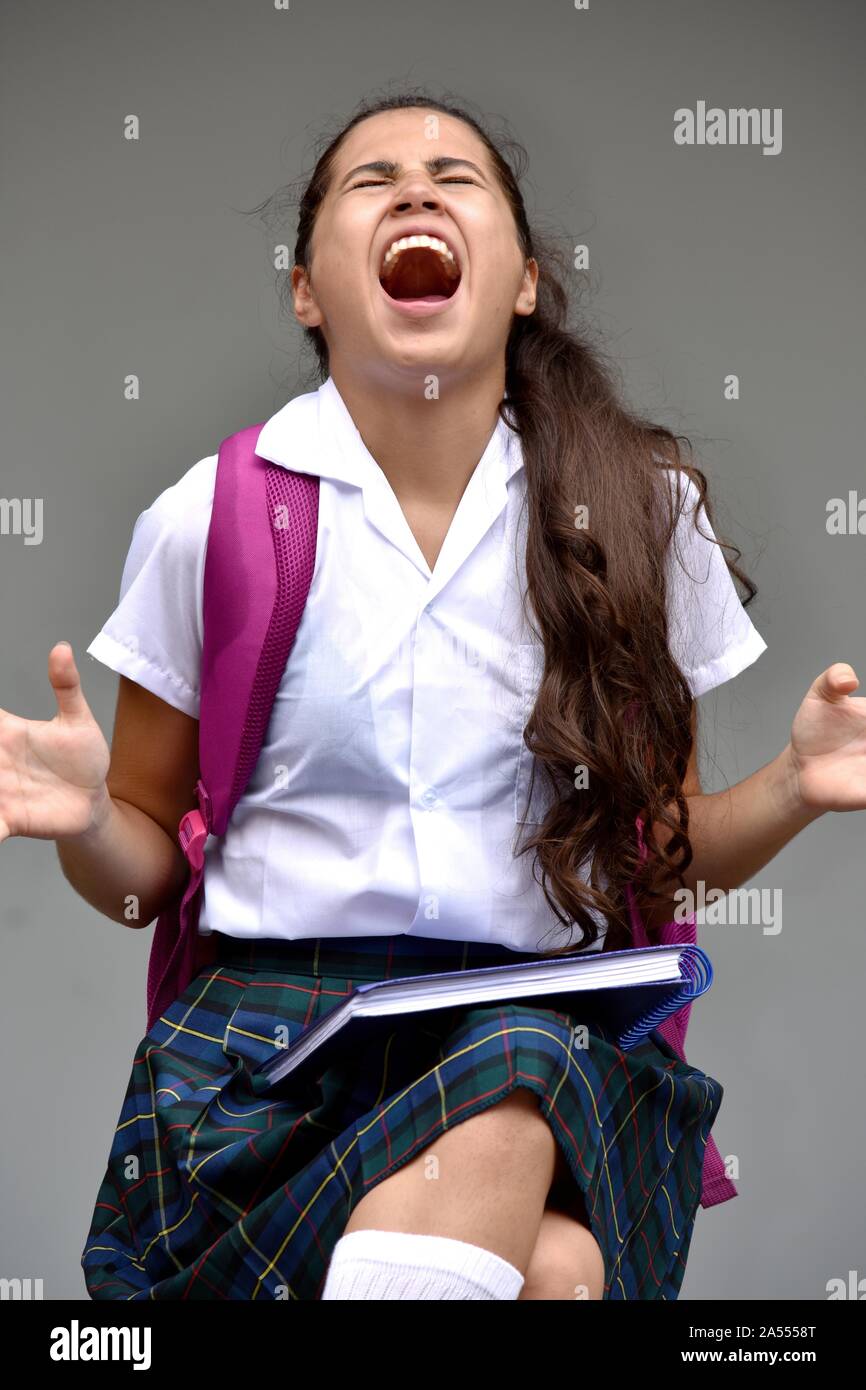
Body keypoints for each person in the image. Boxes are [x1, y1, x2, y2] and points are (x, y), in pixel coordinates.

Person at [2, 89, 863, 1302]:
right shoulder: (211, 517)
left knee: (514, 1083)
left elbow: (668, 856)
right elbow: (144, 879)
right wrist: (89, 820)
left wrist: (794, 786)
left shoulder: (637, 512)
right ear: (306, 289)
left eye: (457, 176)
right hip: (271, 1057)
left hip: (533, 1026)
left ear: (519, 279)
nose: (415, 188)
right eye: (372, 180)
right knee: (553, 1267)